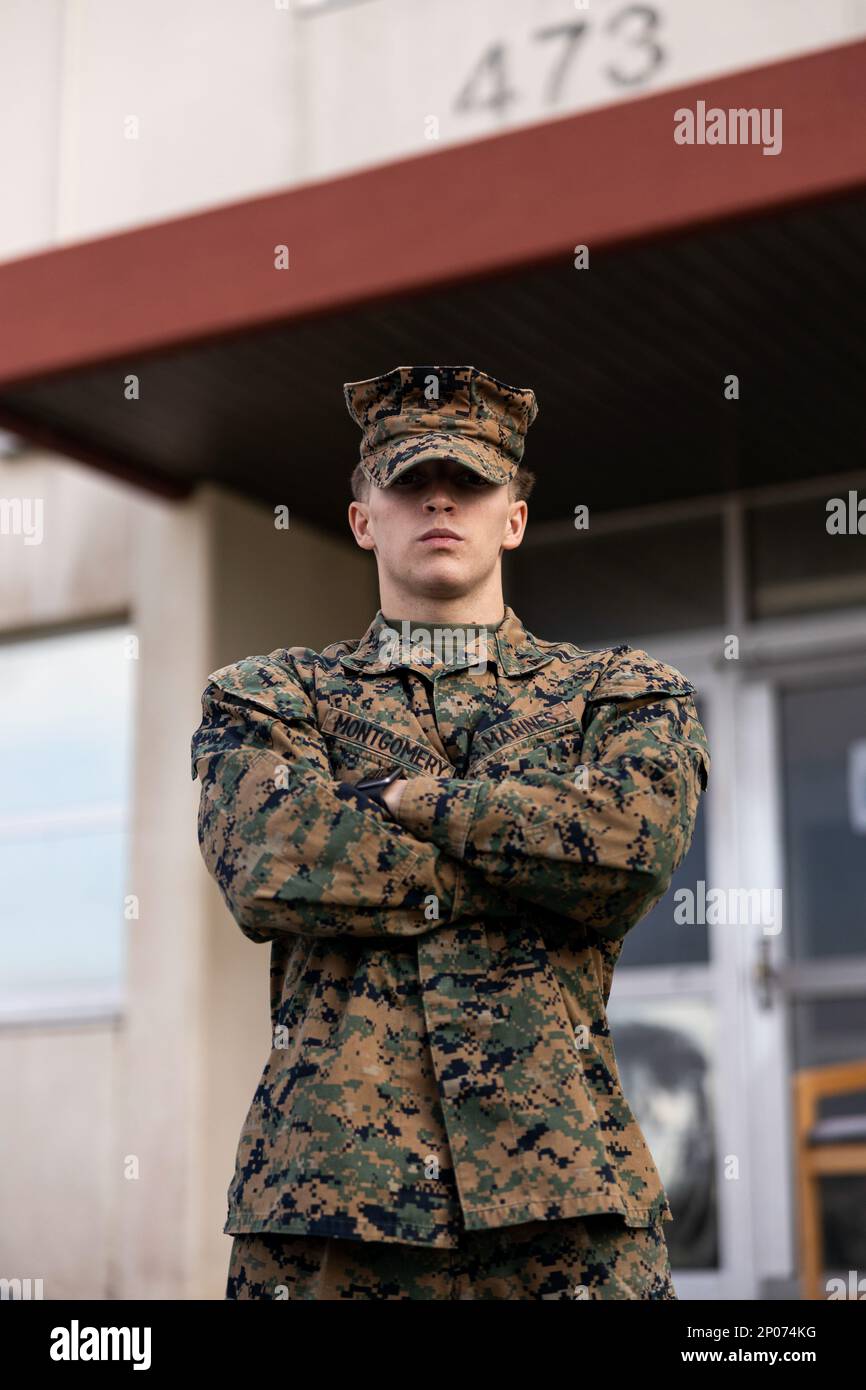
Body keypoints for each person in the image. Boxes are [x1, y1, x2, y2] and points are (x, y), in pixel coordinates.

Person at [190, 364, 711, 1300]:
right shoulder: (271, 695)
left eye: (471, 481)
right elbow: (271, 862)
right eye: (406, 479)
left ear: (512, 517)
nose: (439, 497)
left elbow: (627, 854)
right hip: (332, 1210)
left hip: (567, 1209)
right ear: (363, 521)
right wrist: (533, 859)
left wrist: (408, 802)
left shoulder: (621, 692)